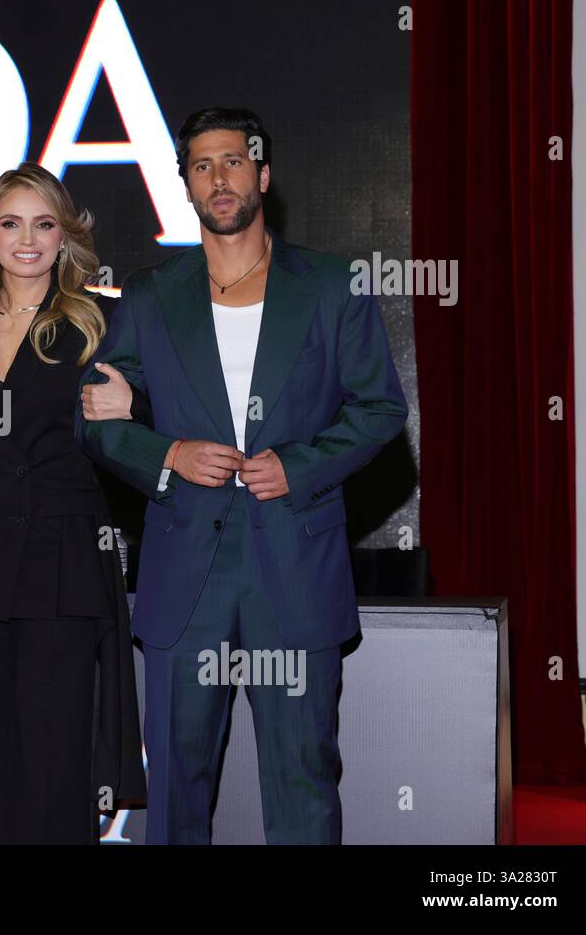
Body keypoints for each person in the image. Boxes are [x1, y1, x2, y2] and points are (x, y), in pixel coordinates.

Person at [77, 108, 407, 844]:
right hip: (185, 569)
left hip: (294, 564)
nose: (218, 178)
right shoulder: (151, 294)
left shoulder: (328, 286)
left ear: (262, 175)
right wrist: (167, 454)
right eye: (202, 165)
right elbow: (95, 414)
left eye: (232, 162)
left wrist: (298, 465)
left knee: (302, 782)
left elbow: (382, 407)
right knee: (176, 793)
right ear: (186, 186)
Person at [0, 163, 145, 843]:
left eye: (44, 223)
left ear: (64, 236)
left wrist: (137, 406)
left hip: (62, 560)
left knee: (54, 759)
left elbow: (153, 424)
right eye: (11, 222)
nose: (28, 239)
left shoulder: (101, 321)